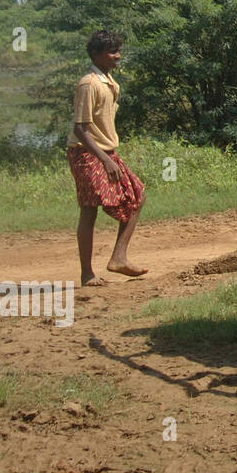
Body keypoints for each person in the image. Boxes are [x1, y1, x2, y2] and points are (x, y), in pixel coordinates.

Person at [66, 30, 147, 286]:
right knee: (89, 210)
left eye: (118, 51)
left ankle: (119, 257)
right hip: (87, 152)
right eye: (113, 52)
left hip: (105, 151)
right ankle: (87, 273)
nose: (118, 56)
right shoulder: (89, 84)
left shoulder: (108, 81)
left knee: (137, 194)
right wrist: (104, 160)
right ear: (96, 54)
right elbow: (81, 128)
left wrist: (109, 156)